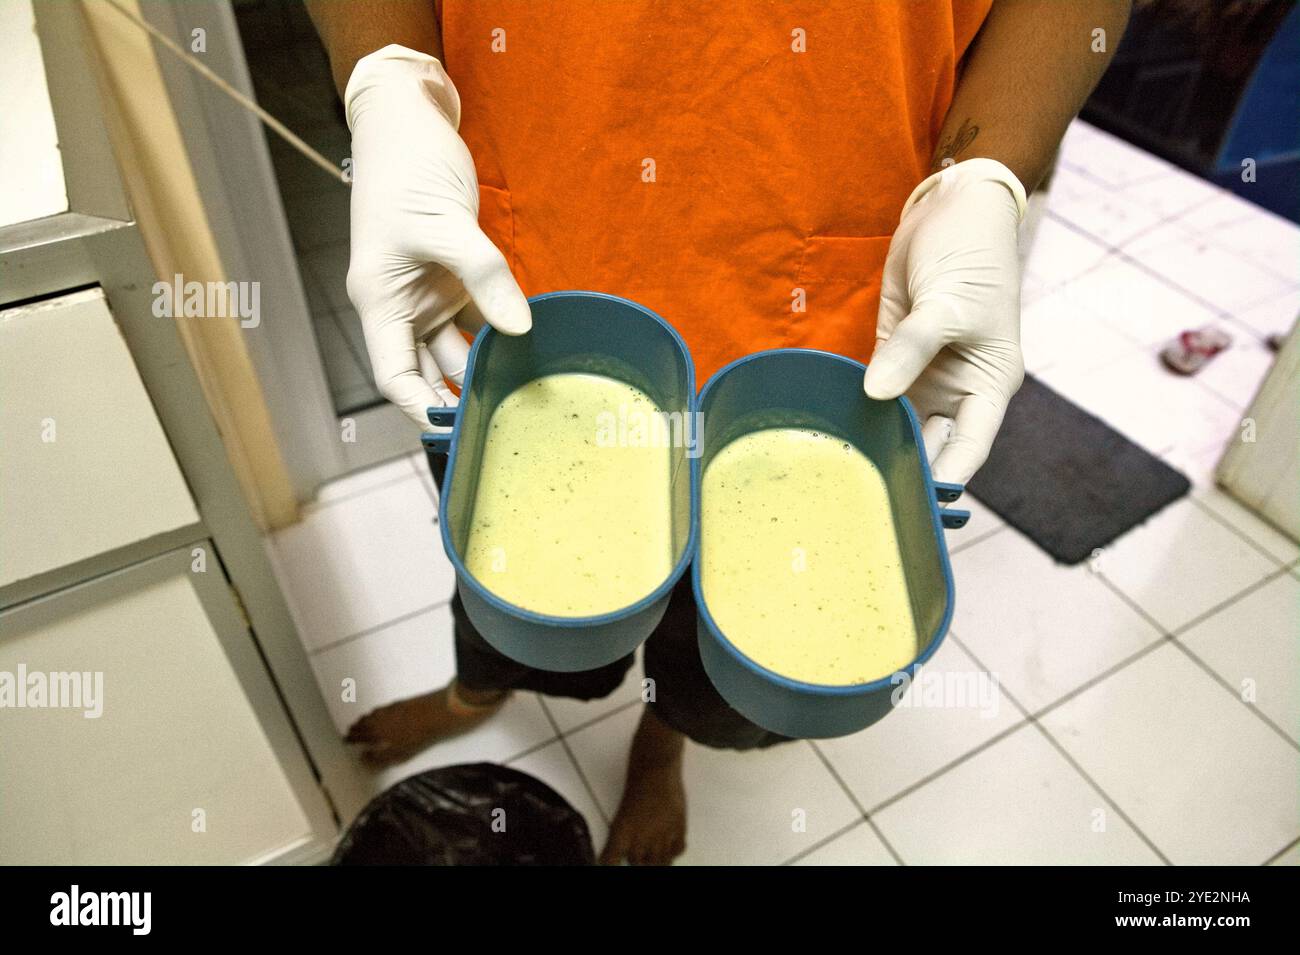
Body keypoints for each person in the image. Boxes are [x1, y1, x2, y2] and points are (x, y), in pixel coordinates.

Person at [308, 0, 1130, 865]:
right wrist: (386, 74)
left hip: (819, 319)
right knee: (521, 594)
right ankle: (476, 693)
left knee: (732, 649)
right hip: (538, 282)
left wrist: (988, 173)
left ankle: (664, 741)